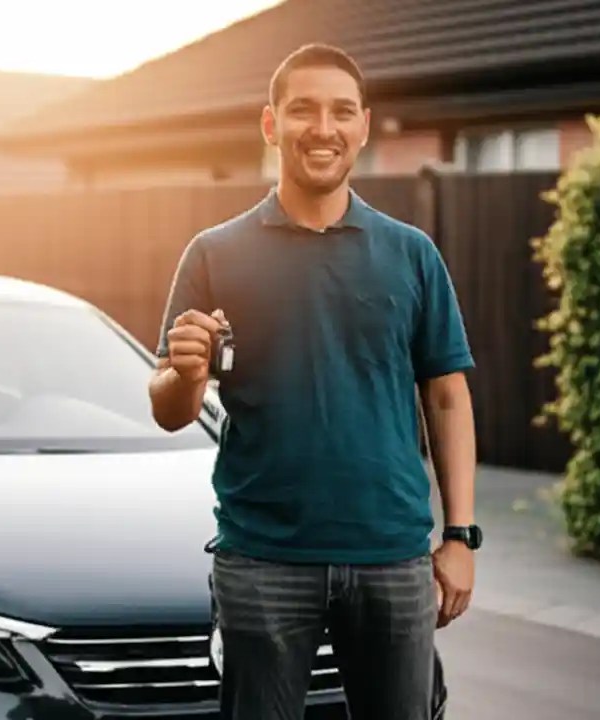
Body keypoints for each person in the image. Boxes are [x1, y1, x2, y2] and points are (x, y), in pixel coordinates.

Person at [148, 43, 479, 720]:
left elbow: (447, 395)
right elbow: (170, 410)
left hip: (392, 556)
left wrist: (461, 536)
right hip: (262, 560)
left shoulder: (411, 253)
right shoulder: (215, 253)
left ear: (362, 126)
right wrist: (185, 371)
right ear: (271, 125)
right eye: (302, 110)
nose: (321, 128)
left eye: (340, 112)